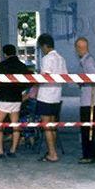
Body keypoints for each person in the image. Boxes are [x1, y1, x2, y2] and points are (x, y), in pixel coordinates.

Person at [0, 44, 32, 158]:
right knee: (15, 125)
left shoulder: (2, 65)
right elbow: (30, 80)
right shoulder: (22, 66)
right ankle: (13, 149)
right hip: (17, 98)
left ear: (5, 54)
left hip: (4, 98)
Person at [35, 33, 67, 163]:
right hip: (56, 96)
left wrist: (36, 79)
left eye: (40, 47)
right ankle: (52, 151)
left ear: (44, 46)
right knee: (52, 126)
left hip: (46, 96)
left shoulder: (47, 59)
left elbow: (45, 77)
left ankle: (52, 154)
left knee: (46, 126)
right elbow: (65, 77)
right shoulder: (61, 59)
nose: (41, 50)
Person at [76, 37, 95, 164]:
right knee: (89, 129)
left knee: (88, 130)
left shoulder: (88, 61)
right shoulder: (84, 61)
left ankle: (89, 155)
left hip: (91, 101)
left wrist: (83, 81)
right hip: (87, 100)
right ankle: (92, 154)